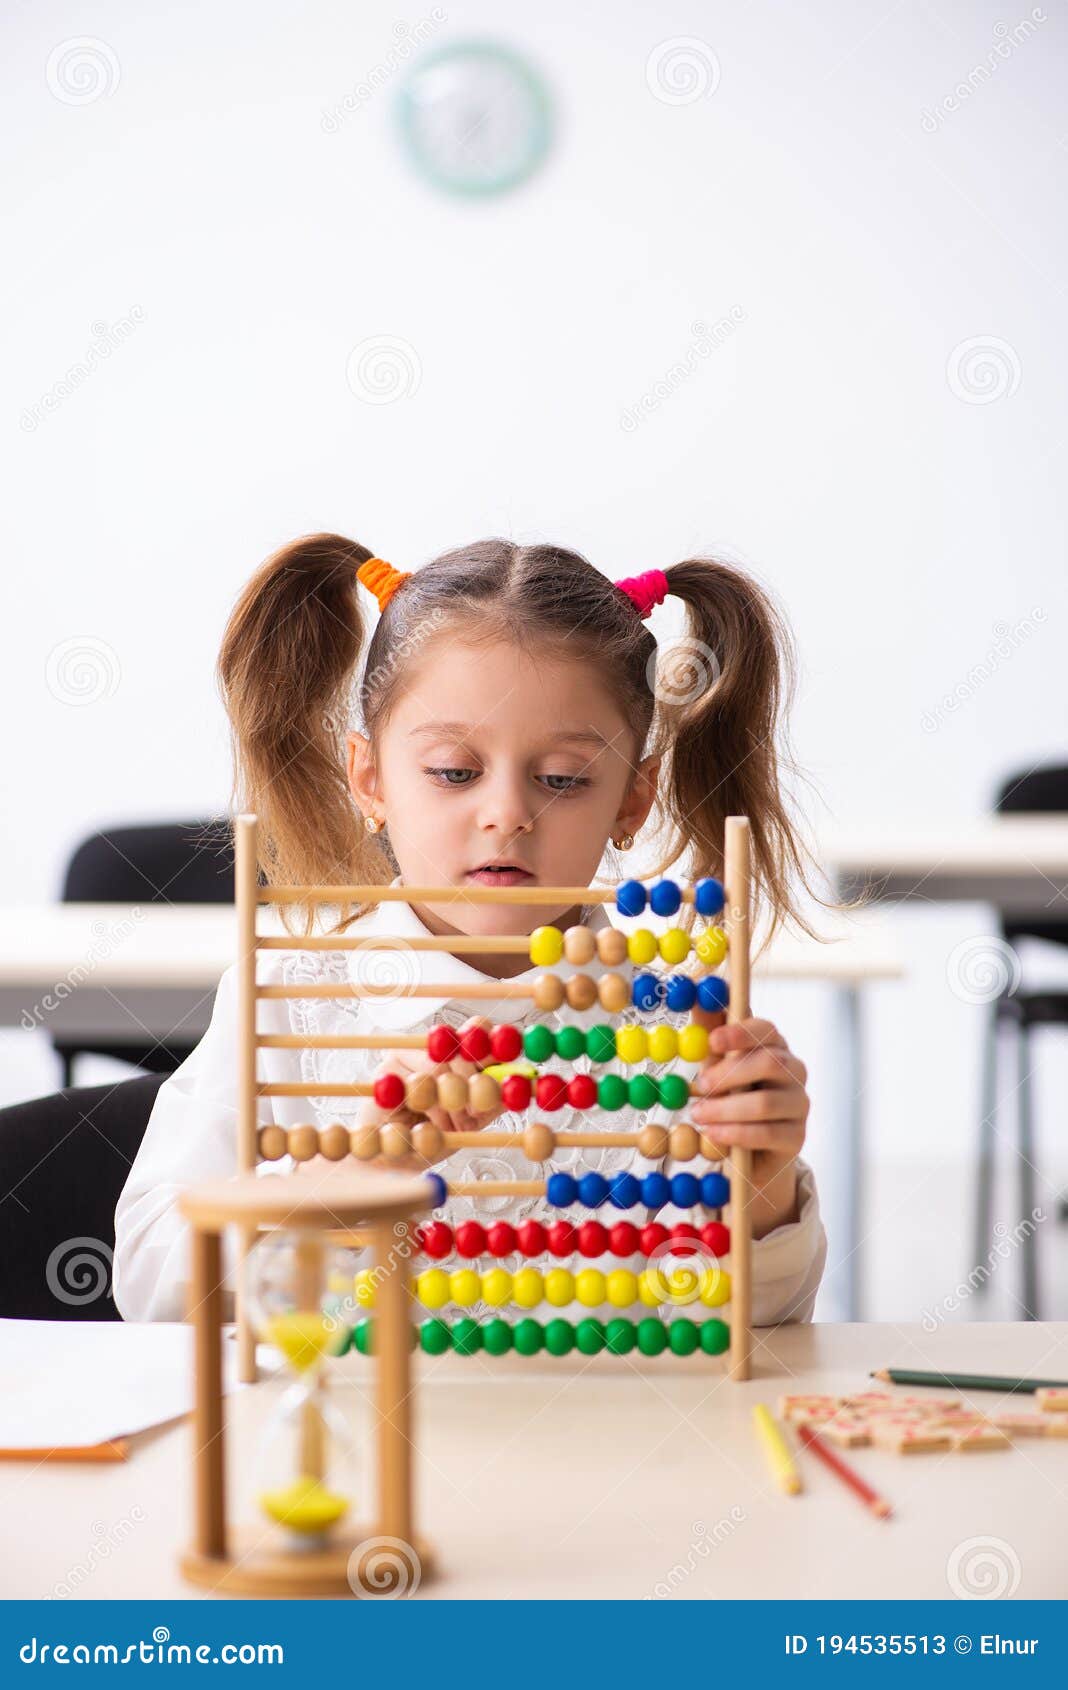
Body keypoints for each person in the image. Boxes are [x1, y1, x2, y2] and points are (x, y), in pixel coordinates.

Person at [113, 535, 829, 1332]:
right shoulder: (287, 1000)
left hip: (603, 1449)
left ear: (633, 798)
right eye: (455, 771)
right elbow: (151, 1283)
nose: (506, 813)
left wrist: (759, 1192)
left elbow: (744, 1326)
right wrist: (347, 1182)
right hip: (353, 1452)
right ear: (370, 780)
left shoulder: (678, 1029)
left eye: (562, 778)